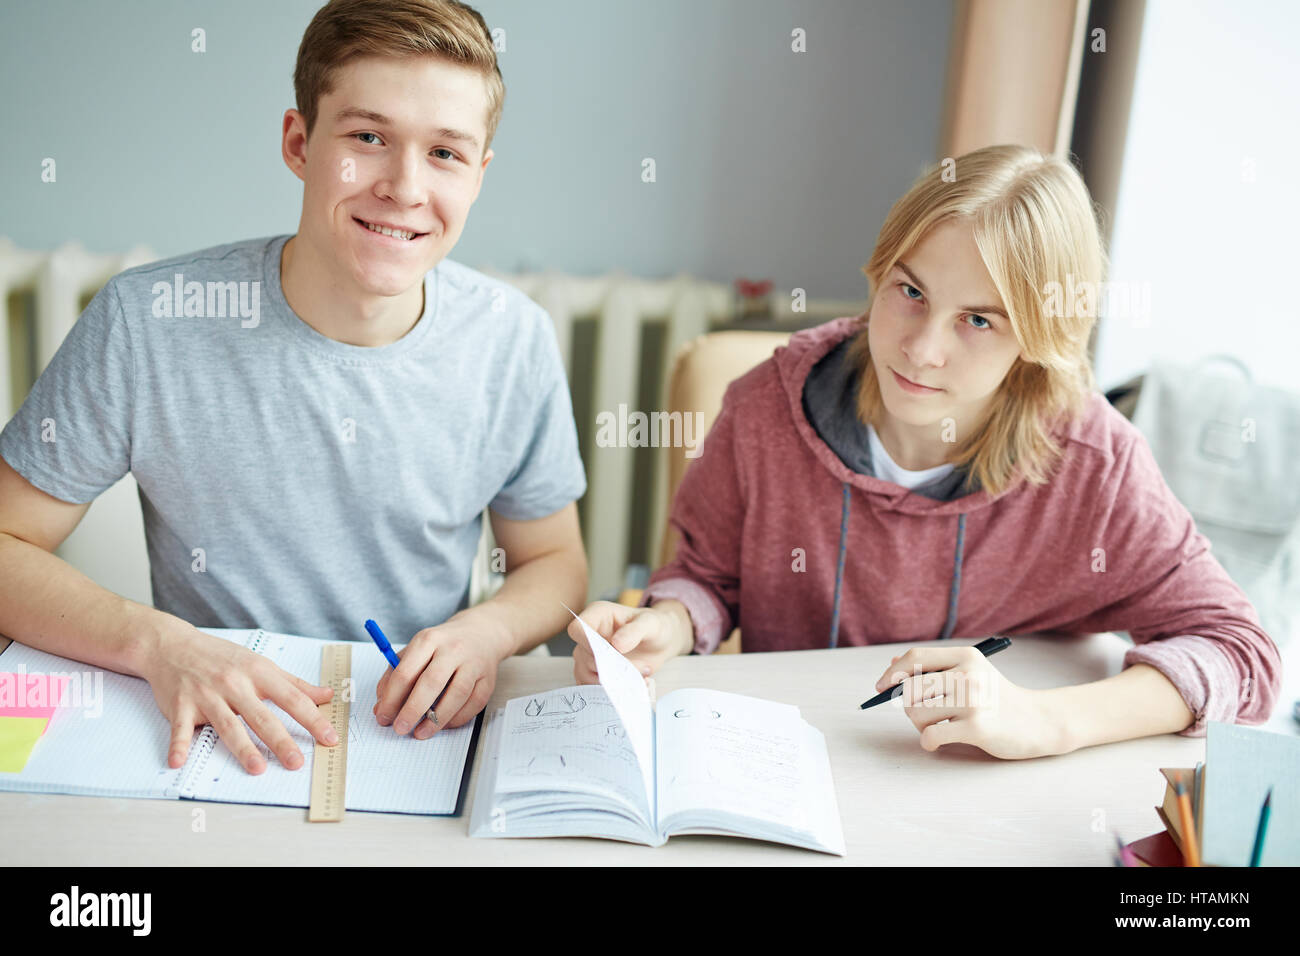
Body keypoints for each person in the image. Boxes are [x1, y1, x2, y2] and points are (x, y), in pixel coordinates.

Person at [0, 0, 588, 775]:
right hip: (216, 737)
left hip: (414, 739)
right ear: (300, 143)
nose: (406, 189)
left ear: (478, 175)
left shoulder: (514, 340)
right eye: (368, 137)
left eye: (445, 153)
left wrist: (489, 631)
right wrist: (157, 643)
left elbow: (552, 559)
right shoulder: (146, 322)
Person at [568, 144, 1281, 760]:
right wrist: (665, 622)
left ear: (1037, 339)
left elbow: (1241, 655)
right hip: (796, 762)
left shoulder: (1094, 463)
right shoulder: (763, 409)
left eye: (978, 320)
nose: (921, 348)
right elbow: (707, 576)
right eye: (911, 291)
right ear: (879, 272)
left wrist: (1046, 720)